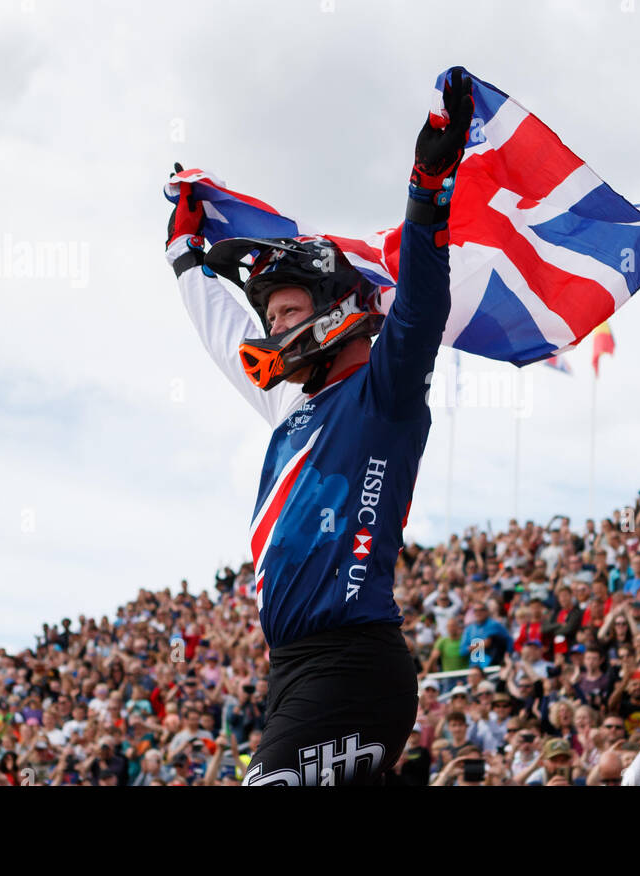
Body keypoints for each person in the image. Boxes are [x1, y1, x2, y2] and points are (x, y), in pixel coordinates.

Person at [166, 68, 475, 786]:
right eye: (268, 317)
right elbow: (220, 332)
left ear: (334, 309)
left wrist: (427, 191)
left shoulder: (383, 392)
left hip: (353, 664)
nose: (269, 329)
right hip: (293, 674)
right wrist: (183, 251)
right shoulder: (289, 405)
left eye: (284, 313)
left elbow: (422, 310)